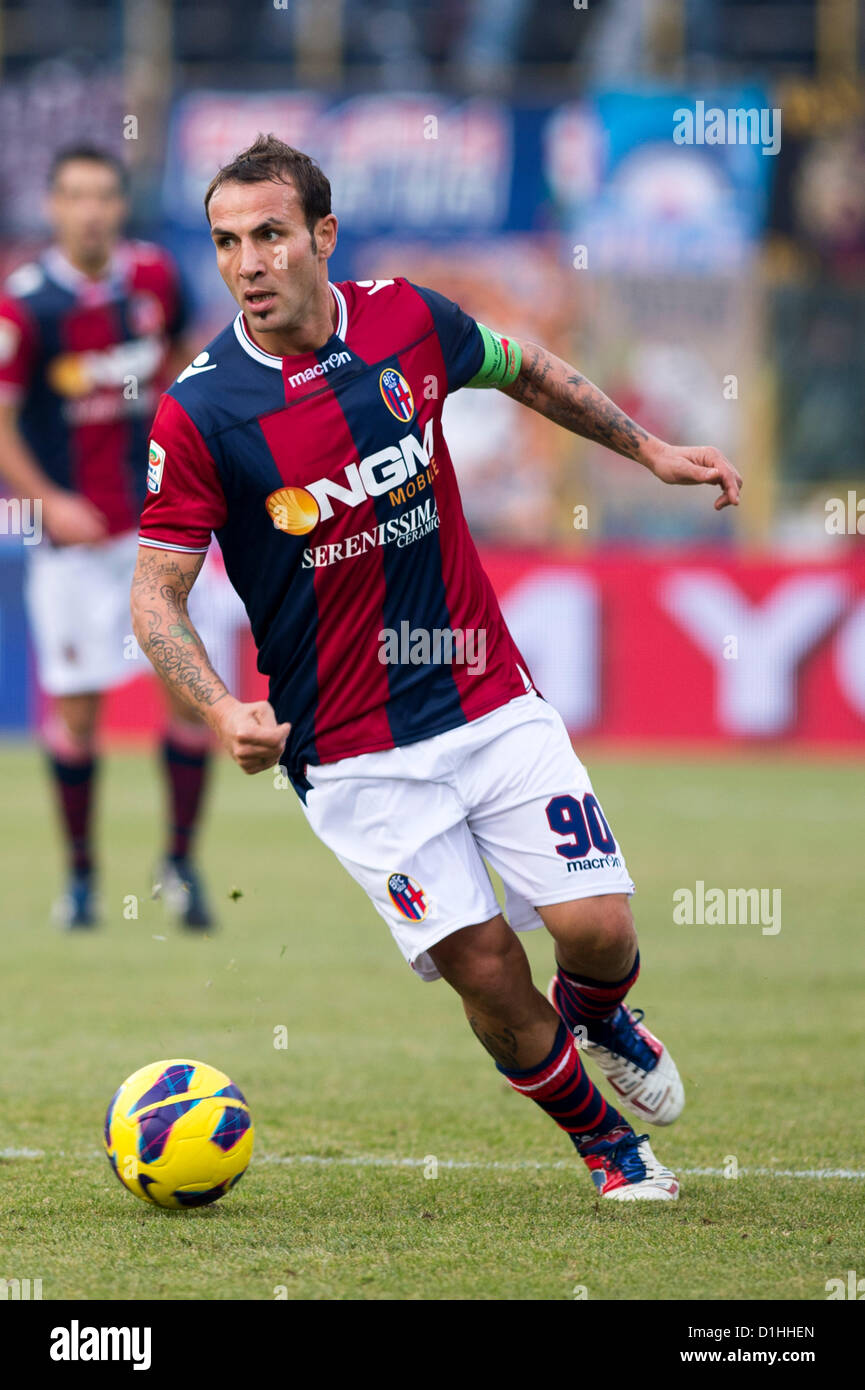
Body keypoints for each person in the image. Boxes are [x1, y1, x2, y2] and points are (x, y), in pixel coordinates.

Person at [131, 135, 742, 1200]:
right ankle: (608, 1146)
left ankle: (601, 1013)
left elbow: (525, 370)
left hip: (484, 693)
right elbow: (154, 595)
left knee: (597, 929)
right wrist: (222, 707)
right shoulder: (202, 410)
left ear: (323, 235)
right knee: (484, 969)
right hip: (354, 753)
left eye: (271, 235)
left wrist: (652, 451)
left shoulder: (408, 320)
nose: (249, 263)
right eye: (228, 242)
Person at [0, 145, 222, 929]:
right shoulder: (24, 306)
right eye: (73, 196)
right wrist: (50, 501)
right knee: (80, 712)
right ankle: (83, 880)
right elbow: (1, 426)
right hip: (69, 550)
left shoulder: (157, 279)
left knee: (190, 697)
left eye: (102, 195)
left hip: (156, 534)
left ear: (120, 206)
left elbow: (185, 373)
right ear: (53, 208)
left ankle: (181, 867)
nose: (89, 210)